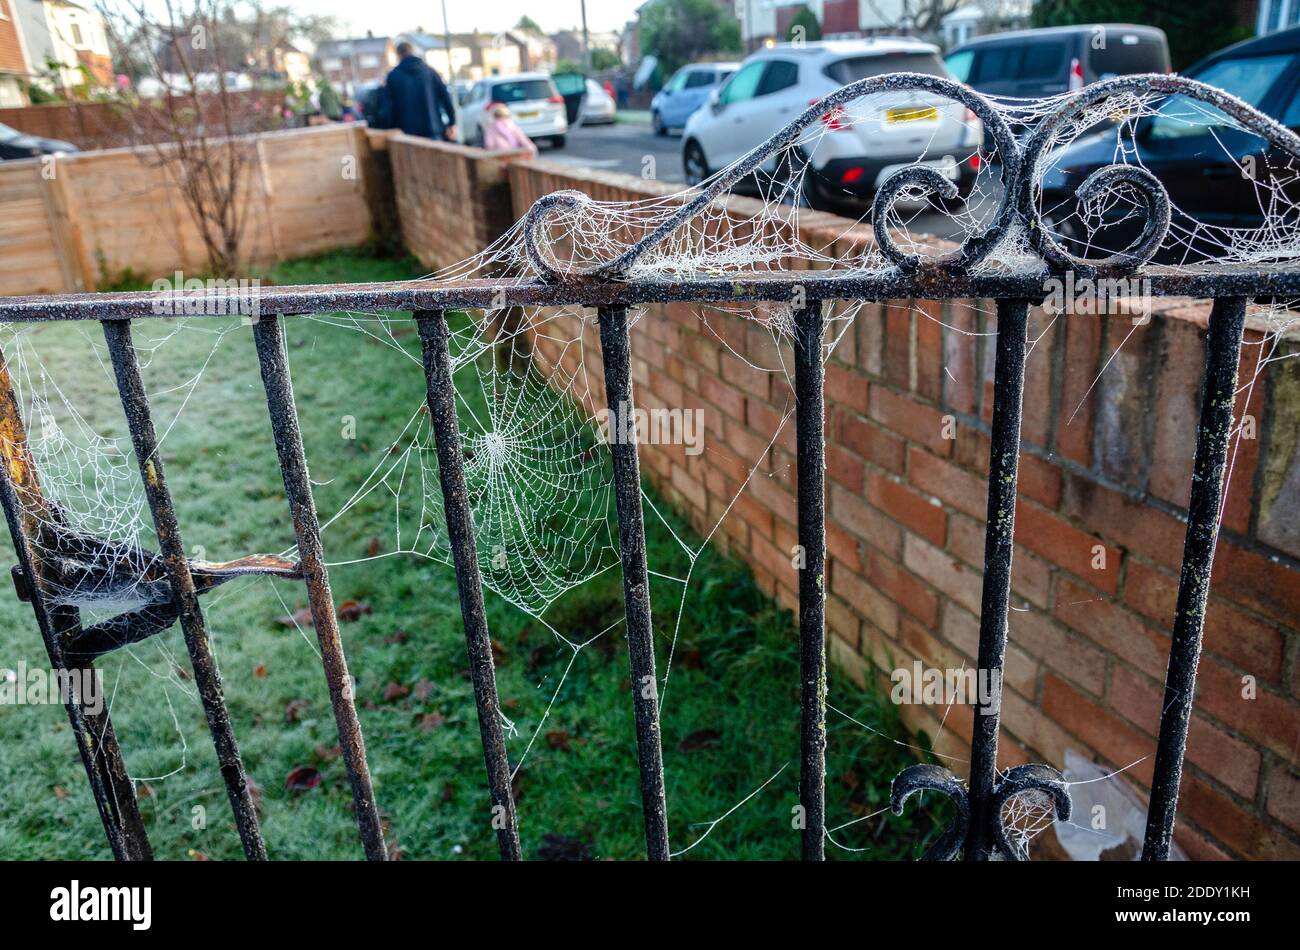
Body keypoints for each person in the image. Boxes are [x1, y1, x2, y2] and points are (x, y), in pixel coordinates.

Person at [381, 41, 458, 141]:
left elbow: (388, 108)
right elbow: (446, 98)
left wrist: (390, 128)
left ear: (398, 55)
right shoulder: (430, 72)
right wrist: (452, 123)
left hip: (406, 135)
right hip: (433, 131)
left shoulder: (393, 76)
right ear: (412, 52)